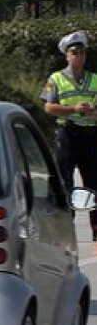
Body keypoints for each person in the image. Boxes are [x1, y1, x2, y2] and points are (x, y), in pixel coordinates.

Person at [42, 30, 97, 242]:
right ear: (66, 55)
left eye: (82, 53)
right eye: (74, 52)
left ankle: (96, 231)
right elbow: (49, 107)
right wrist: (73, 109)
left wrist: (92, 112)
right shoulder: (56, 78)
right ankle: (63, 231)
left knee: (93, 183)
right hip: (66, 134)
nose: (79, 57)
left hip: (89, 135)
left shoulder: (94, 80)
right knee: (63, 183)